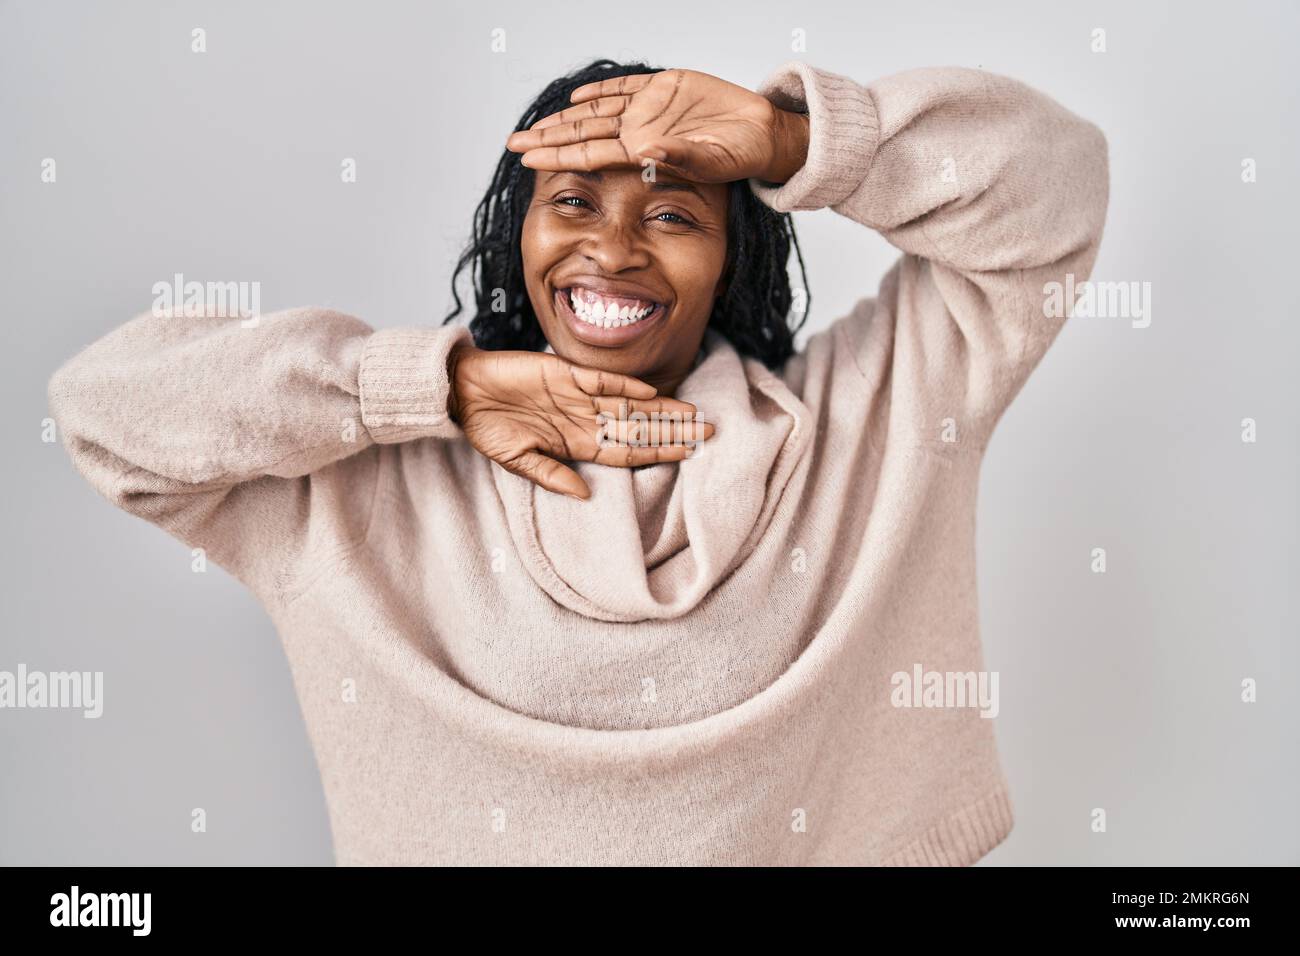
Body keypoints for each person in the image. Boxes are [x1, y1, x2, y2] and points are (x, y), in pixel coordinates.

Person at [47, 58, 1109, 865]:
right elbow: (103, 410)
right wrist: (437, 389)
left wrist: (787, 138)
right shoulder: (366, 482)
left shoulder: (868, 418)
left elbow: (1056, 189)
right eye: (571, 202)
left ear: (732, 254)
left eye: (674, 211)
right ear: (518, 234)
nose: (613, 247)